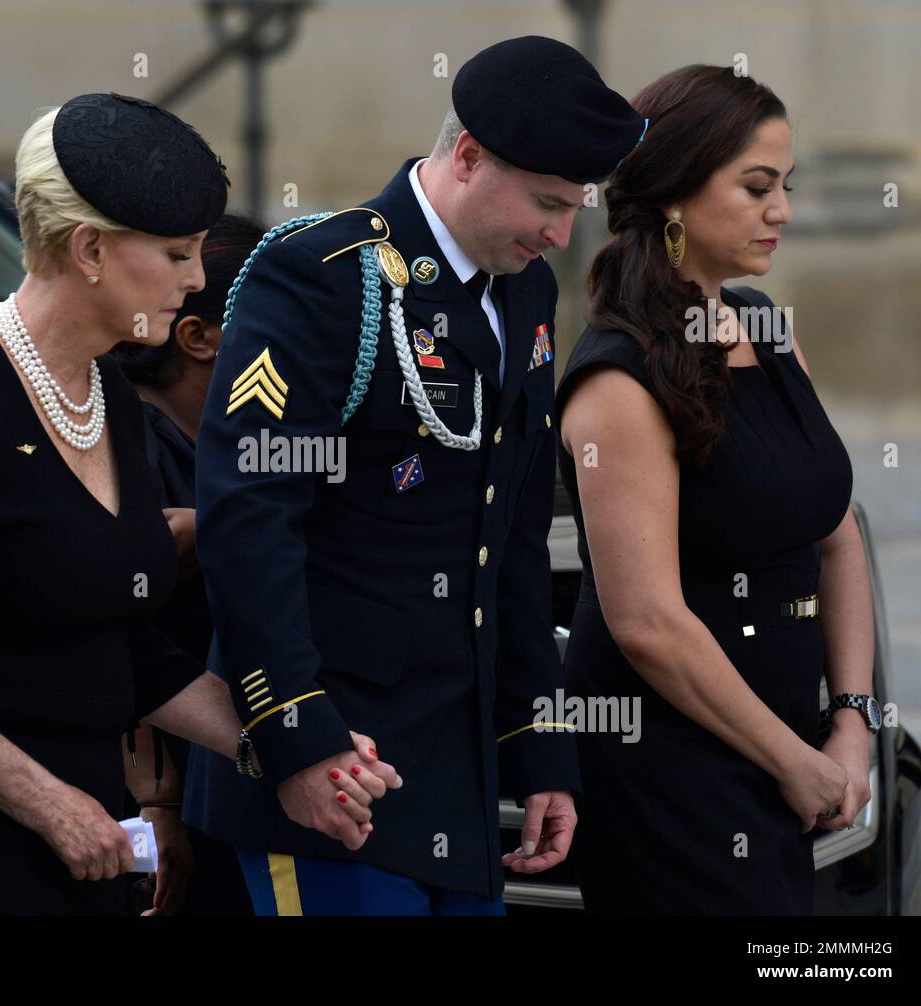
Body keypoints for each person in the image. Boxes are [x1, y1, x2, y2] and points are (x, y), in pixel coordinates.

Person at [0, 94, 397, 916]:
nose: (196, 281)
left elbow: (125, 649)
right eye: (176, 254)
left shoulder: (111, 396)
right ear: (89, 249)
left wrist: (298, 745)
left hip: (94, 838)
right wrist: (46, 804)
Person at [184, 37, 647, 915]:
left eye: (575, 207)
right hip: (334, 757)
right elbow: (248, 520)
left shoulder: (526, 292)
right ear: (467, 156)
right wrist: (296, 738)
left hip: (454, 766)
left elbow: (505, 533)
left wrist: (540, 744)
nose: (560, 234)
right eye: (548, 203)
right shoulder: (324, 275)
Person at [554, 65, 874, 914]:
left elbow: (836, 531)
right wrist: (793, 760)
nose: (784, 212)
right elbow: (647, 623)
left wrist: (851, 719)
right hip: (672, 764)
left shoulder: (766, 330)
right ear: (673, 197)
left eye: (786, 186)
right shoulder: (616, 381)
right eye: (757, 186)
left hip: (786, 752)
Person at [113, 213, 266, 914]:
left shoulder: (243, 446)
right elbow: (118, 615)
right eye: (277, 319)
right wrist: (159, 801)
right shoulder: (127, 441)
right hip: (167, 799)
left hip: (233, 779)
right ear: (198, 338)